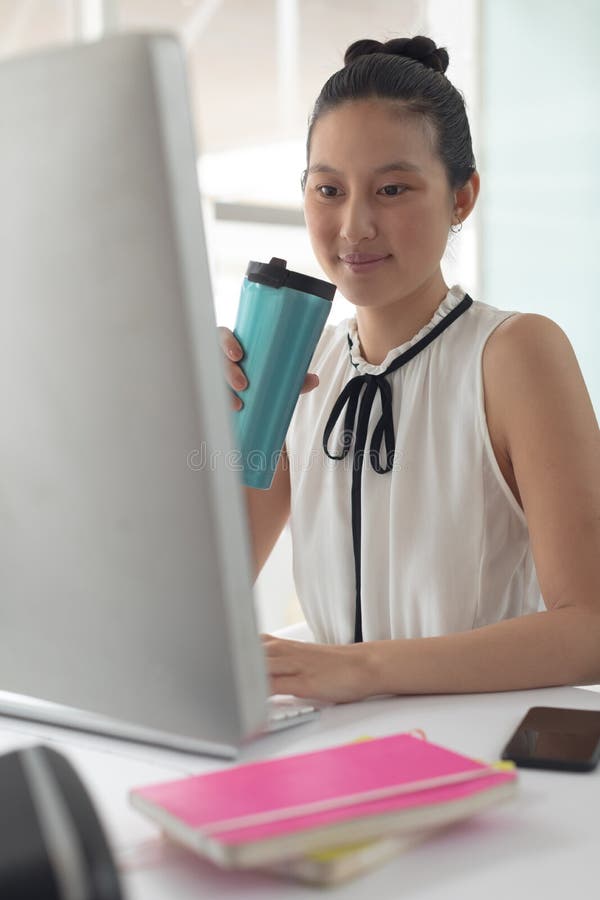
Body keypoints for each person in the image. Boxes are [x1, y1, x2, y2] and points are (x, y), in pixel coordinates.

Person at [218, 35, 600, 703]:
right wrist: (202, 421)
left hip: (491, 755)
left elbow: (590, 628)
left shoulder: (517, 354)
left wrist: (354, 669)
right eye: (328, 189)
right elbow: (200, 598)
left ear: (462, 197)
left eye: (392, 188)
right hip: (331, 754)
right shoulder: (298, 371)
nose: (355, 226)